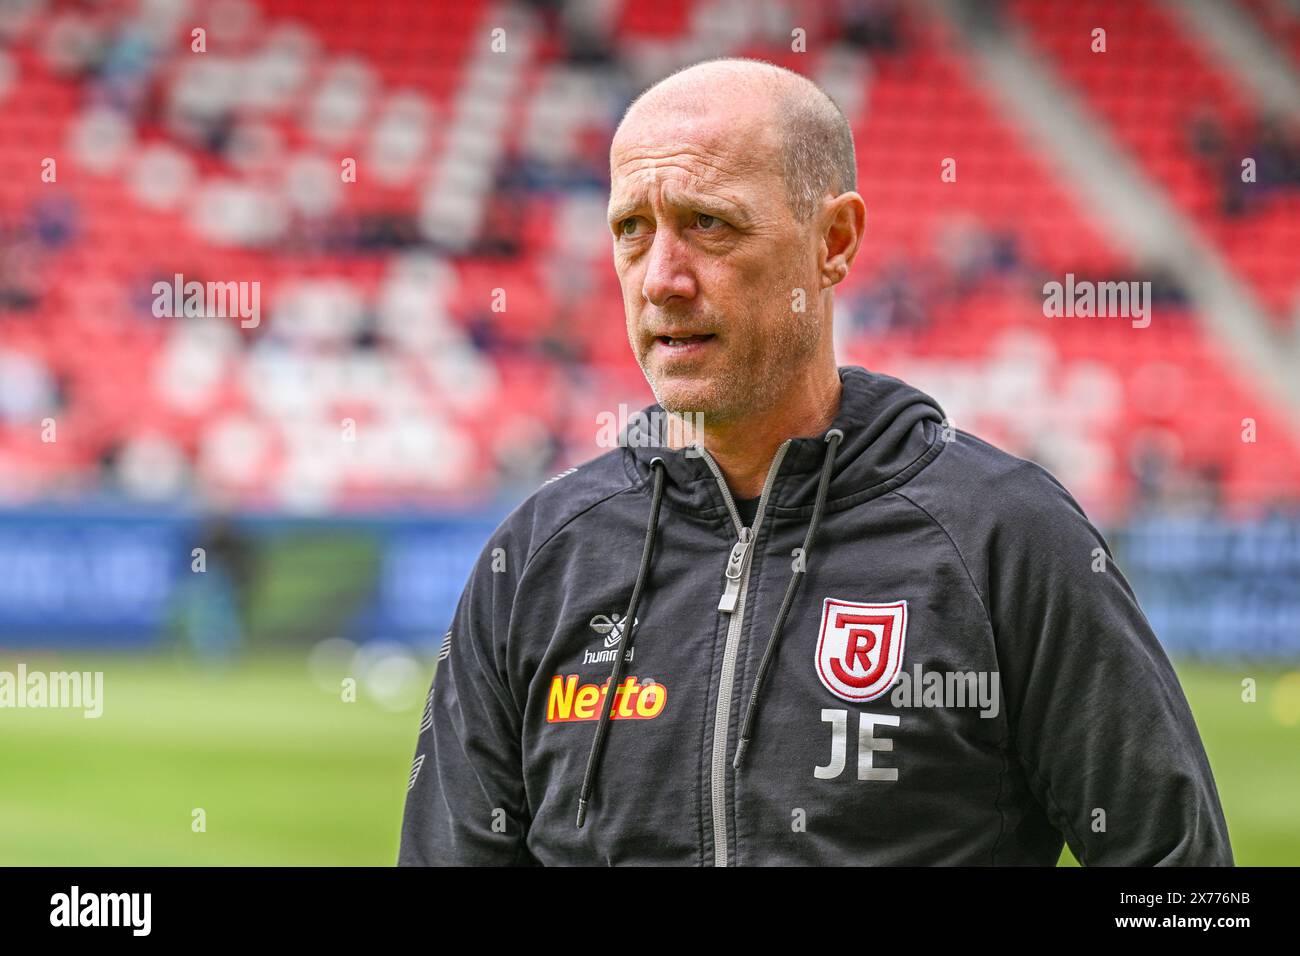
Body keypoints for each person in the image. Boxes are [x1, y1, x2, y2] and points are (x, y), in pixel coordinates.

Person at [398, 57, 1232, 866]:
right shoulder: (536, 561)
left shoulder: (1005, 539)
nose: (661, 280)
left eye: (708, 224)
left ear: (833, 241)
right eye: (631, 230)